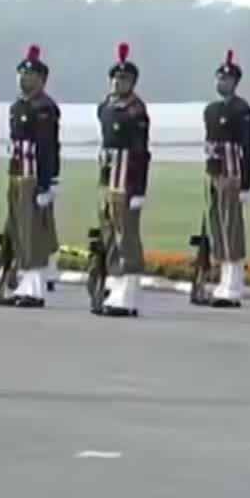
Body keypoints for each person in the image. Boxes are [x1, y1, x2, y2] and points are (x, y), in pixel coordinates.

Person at [3, 45, 62, 307]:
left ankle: (35, 286)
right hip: (17, 173)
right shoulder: (18, 106)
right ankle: (24, 281)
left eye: (30, 75)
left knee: (33, 232)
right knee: (19, 230)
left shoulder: (44, 108)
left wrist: (47, 182)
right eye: (21, 74)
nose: (24, 79)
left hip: (33, 175)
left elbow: (48, 147)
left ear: (41, 79)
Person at [96, 43, 151, 316]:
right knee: (108, 231)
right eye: (115, 78)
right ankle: (114, 281)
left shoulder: (136, 112)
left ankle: (128, 288)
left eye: (124, 79)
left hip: (127, 177)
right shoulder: (106, 107)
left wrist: (139, 189)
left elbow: (141, 152)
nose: (118, 83)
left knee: (126, 233)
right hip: (107, 176)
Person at [202, 49, 250, 307]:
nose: (222, 83)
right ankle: (223, 277)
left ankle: (234, 281)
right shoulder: (211, 110)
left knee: (231, 226)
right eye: (219, 78)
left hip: (232, 173)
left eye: (227, 79)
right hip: (214, 172)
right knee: (217, 225)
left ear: (235, 82)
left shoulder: (241, 109)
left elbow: (248, 147)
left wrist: (246, 182)